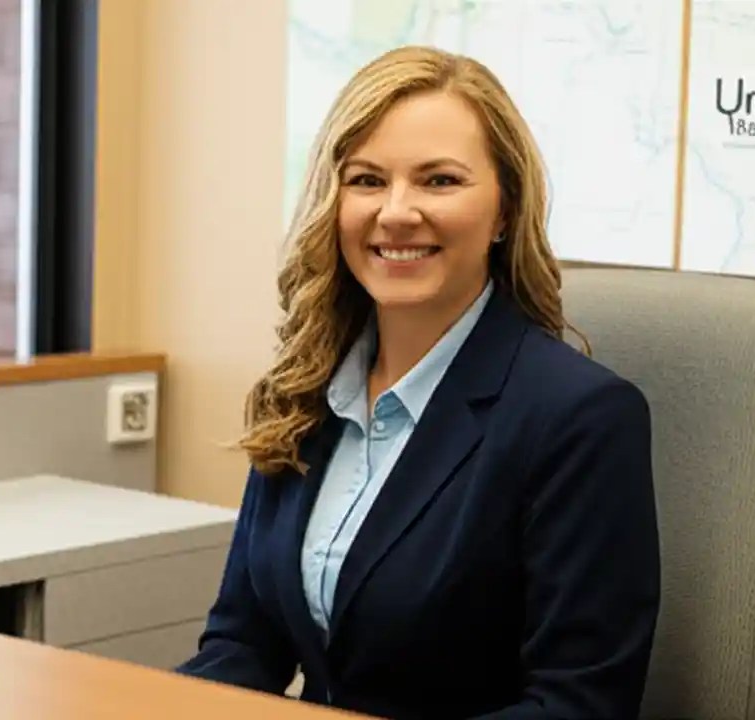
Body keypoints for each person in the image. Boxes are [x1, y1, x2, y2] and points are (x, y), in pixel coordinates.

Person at [175, 46, 661, 719]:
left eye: (439, 181)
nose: (397, 212)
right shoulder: (303, 389)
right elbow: (245, 642)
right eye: (367, 180)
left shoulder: (580, 418)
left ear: (504, 210)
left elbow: (580, 706)